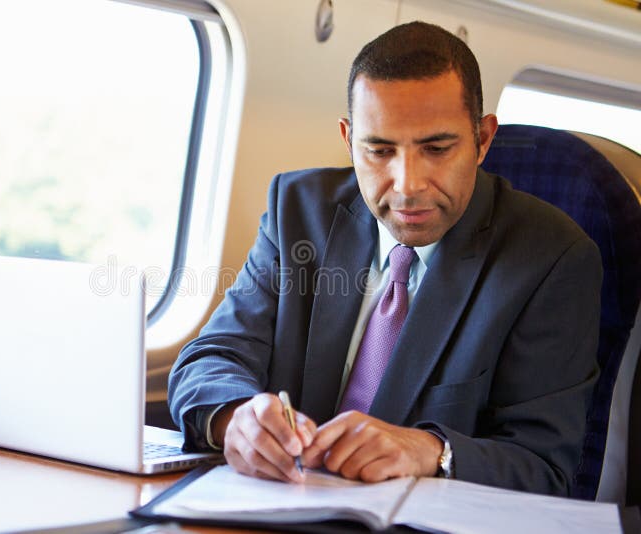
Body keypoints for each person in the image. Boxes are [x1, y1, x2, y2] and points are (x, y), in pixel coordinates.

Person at [168, 21, 602, 496]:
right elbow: (211, 357)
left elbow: (544, 466)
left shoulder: (551, 257)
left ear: (482, 140)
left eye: (436, 149)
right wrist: (236, 418)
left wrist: (432, 452)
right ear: (348, 139)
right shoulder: (298, 209)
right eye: (378, 150)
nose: (407, 184)